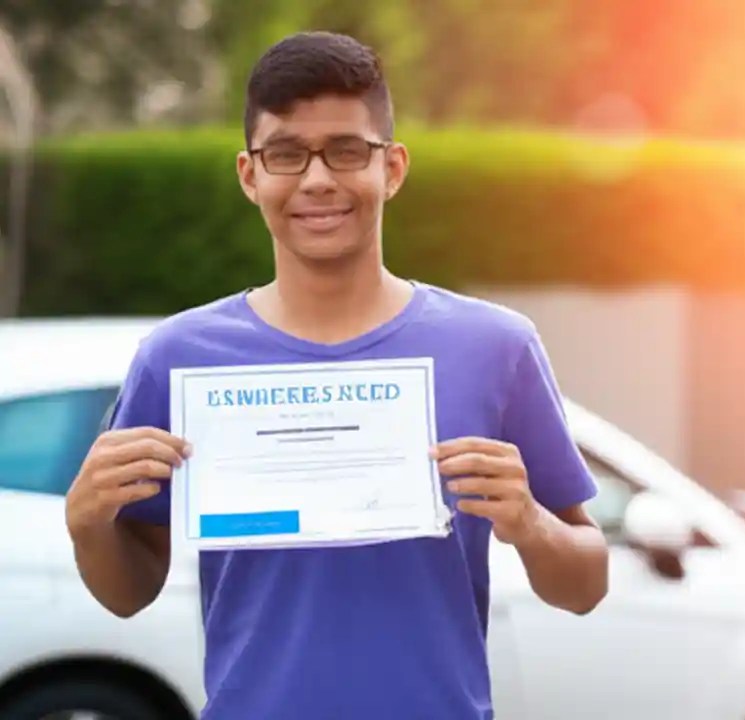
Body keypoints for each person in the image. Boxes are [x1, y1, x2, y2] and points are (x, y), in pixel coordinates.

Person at [63, 31, 609, 719]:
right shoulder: (177, 357)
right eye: (286, 153)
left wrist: (529, 522)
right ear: (249, 174)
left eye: (347, 150)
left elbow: (585, 584)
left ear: (393, 168)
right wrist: (88, 524)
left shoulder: (494, 346)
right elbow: (129, 590)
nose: (318, 179)